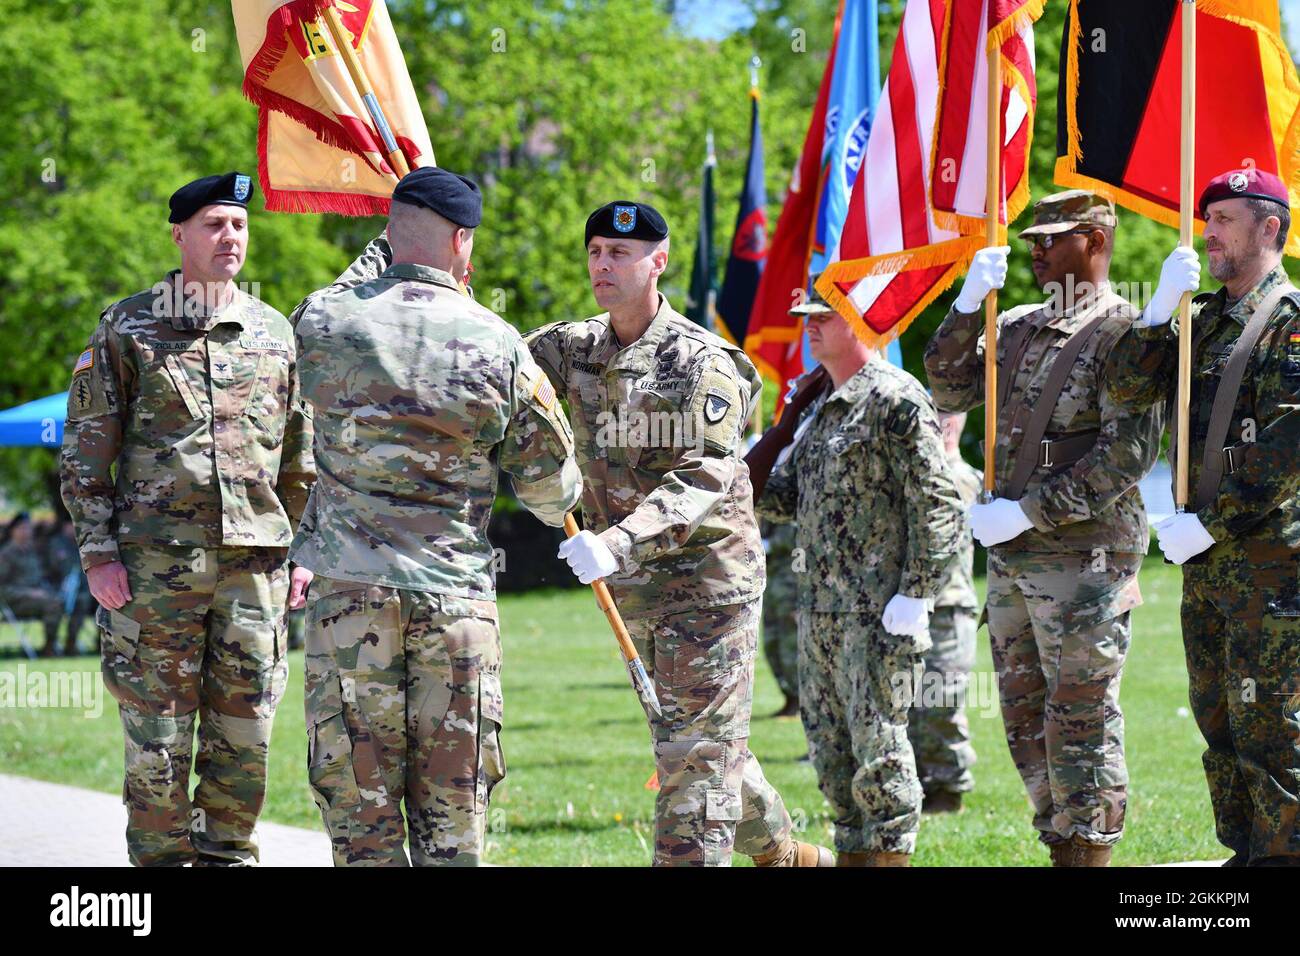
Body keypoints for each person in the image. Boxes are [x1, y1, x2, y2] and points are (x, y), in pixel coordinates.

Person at [288, 166, 582, 866]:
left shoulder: (324, 320)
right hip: (454, 606)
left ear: (388, 233)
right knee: (453, 825)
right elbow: (552, 493)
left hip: (347, 603)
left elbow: (316, 317)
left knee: (361, 822)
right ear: (463, 242)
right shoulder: (497, 341)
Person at [529, 201, 831, 867]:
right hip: (634, 585)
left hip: (706, 584)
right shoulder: (569, 347)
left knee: (693, 761)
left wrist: (616, 540)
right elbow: (498, 373)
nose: (604, 264)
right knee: (697, 741)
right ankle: (787, 856)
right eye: (596, 252)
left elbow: (703, 476)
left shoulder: (702, 361)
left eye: (621, 253)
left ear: (657, 262)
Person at [59, 171, 314, 866]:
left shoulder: (274, 332)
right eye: (213, 224)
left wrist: (300, 553)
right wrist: (98, 553)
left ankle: (228, 859)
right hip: (154, 574)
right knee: (158, 741)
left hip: (254, 574)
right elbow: (86, 453)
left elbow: (300, 457)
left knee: (246, 736)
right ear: (179, 235)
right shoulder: (127, 326)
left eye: (238, 224)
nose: (229, 236)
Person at [923, 190, 1163, 865]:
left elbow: (1127, 454)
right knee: (1025, 713)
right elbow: (947, 388)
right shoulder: (1019, 323)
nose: (1036, 249)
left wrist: (1026, 511)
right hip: (1013, 558)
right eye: (1033, 238)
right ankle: (1060, 841)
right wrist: (968, 306)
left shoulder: (1126, 332)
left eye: (1052, 237)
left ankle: (1089, 851)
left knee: (1080, 717)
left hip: (1085, 558)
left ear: (1094, 239)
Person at [1107, 167, 1300, 866]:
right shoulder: (1201, 319)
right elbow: (1125, 389)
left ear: (1268, 227)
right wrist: (1156, 311)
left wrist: (1209, 521)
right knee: (1218, 718)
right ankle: (1247, 851)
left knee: (1272, 725)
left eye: (1222, 219)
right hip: (1206, 567)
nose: (1207, 234)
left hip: (1272, 569)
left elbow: (1288, 446)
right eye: (1205, 219)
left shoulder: (1291, 322)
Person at [746, 290, 964, 865]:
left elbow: (937, 504)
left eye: (823, 318)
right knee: (832, 759)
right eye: (806, 320)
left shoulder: (894, 399)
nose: (809, 330)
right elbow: (775, 497)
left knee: (880, 757)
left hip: (877, 613)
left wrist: (917, 593)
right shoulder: (822, 407)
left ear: (860, 321)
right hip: (821, 615)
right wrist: (786, 421)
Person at [908, 410, 981, 813]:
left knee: (942, 701)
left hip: (950, 606)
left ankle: (948, 789)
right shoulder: (914, 470)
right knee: (910, 699)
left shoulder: (964, 476)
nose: (943, 423)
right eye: (935, 416)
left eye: (951, 416)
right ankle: (918, 782)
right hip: (912, 605)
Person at [0, 514, 63, 656]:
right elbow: (2, 588)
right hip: (14, 603)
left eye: (28, 528)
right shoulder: (6, 554)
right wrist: (29, 593)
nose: (26, 532)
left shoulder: (32, 552)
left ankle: (54, 646)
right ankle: (49, 648)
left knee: (59, 600)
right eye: (22, 528)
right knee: (52, 604)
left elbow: (39, 579)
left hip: (37, 600)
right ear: (12, 531)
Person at [760, 519, 800, 719]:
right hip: (772, 585)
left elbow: (798, 534)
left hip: (792, 586)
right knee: (771, 643)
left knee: (791, 646)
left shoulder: (796, 496)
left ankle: (800, 702)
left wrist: (770, 543)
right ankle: (789, 698)